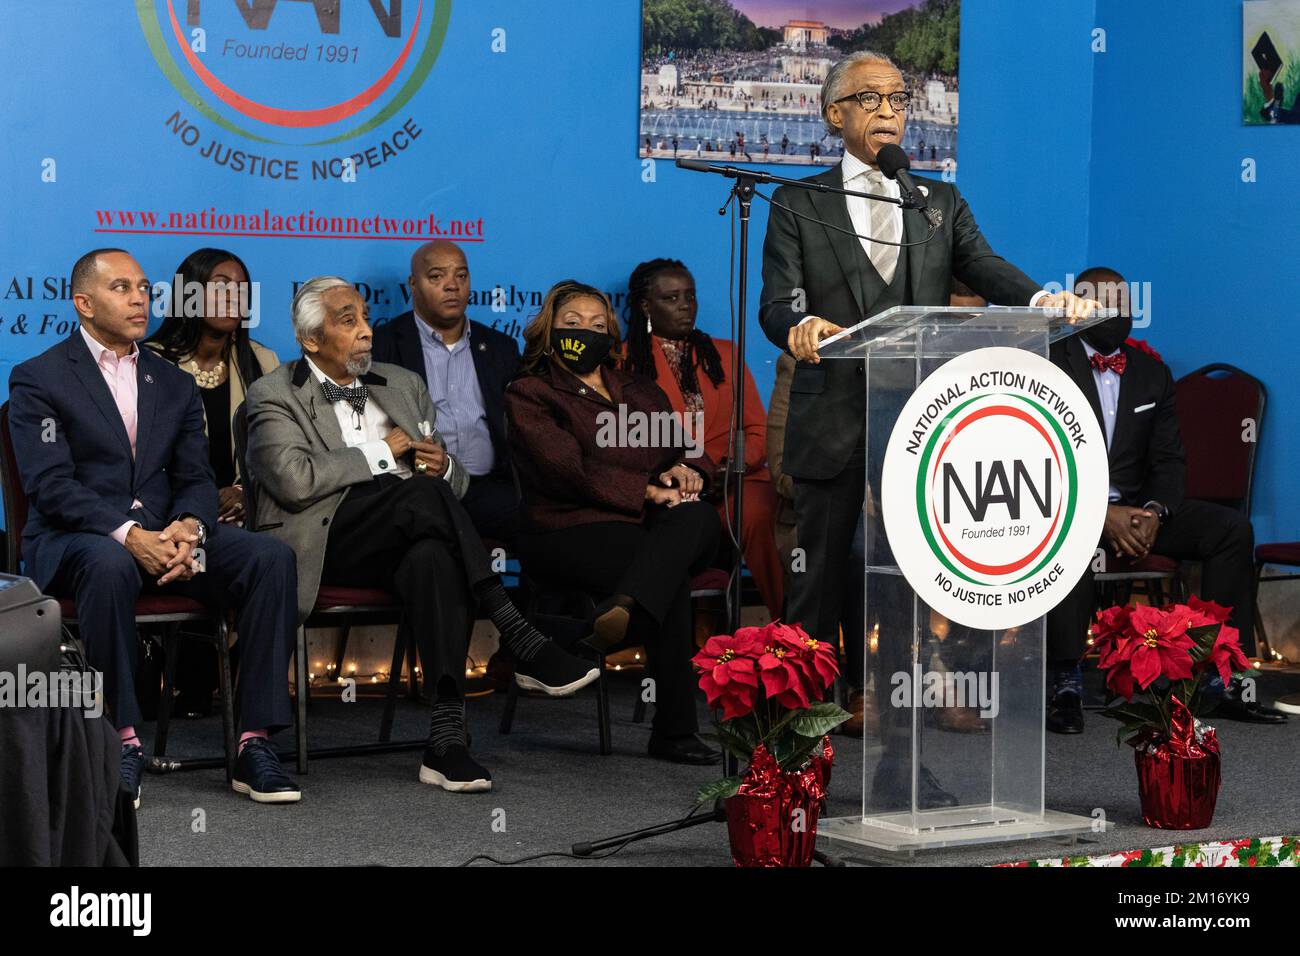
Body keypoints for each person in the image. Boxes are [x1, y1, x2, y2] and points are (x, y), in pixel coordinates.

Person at [758, 52, 1100, 806]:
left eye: (898, 98)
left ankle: (901, 770)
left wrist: (1045, 298)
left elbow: (985, 266)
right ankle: (786, 769)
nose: (888, 110)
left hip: (917, 434)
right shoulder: (796, 204)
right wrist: (801, 325)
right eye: (869, 97)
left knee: (907, 611)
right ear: (833, 113)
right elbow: (775, 305)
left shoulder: (938, 203)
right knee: (810, 608)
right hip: (831, 433)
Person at [245, 277, 599, 793]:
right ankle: (517, 632)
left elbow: (451, 486)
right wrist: (384, 454)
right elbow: (296, 482)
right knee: (421, 501)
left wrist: (444, 466)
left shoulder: (402, 383)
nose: (366, 331)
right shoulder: (274, 392)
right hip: (328, 539)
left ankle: (446, 742)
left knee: (433, 553)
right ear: (311, 340)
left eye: (365, 318)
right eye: (349, 322)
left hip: (409, 533)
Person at [8, 248, 301, 806]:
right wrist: (129, 535)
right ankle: (120, 740)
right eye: (121, 288)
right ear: (84, 302)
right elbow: (50, 485)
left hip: (169, 542)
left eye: (143, 287)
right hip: (79, 543)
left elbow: (196, 475)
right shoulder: (40, 378)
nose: (140, 297)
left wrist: (191, 527)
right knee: (110, 563)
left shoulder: (171, 382)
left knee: (269, 558)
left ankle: (253, 742)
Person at [1046, 267, 1285, 731]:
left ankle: (1222, 679)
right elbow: (1041, 459)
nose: (1117, 314)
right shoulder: (1050, 364)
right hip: (1070, 505)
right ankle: (1065, 682)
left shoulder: (1152, 374)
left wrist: (1154, 512)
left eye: (1124, 305)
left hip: (1138, 510)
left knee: (1231, 530)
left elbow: (1171, 461)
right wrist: (1098, 512)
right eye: (1103, 305)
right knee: (1068, 536)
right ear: (1078, 309)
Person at [505, 281, 721, 764]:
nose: (586, 332)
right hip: (568, 528)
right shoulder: (531, 393)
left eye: (598, 325)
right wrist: (647, 489)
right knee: (668, 580)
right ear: (548, 331)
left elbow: (688, 450)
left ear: (613, 334)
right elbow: (567, 470)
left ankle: (599, 626)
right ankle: (674, 732)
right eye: (573, 324)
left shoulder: (640, 390)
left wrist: (689, 470)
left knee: (698, 516)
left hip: (649, 528)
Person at [144, 247, 280, 717]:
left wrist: (246, 492)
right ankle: (188, 671)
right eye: (219, 285)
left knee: (279, 547)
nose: (233, 296)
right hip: (175, 511)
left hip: (249, 506)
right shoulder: (151, 363)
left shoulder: (262, 362)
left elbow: (280, 452)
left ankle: (243, 680)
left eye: (240, 287)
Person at [623, 258, 783, 620]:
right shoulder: (625, 362)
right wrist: (679, 475)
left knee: (758, 512)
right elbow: (628, 444)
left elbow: (756, 430)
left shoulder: (725, 354)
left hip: (733, 480)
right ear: (645, 306)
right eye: (671, 298)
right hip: (669, 487)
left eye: (690, 296)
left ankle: (790, 630)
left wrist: (729, 467)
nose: (685, 306)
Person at [372, 240, 521, 545]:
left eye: (461, 276)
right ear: (413, 284)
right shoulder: (382, 345)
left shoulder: (501, 348)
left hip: (489, 486)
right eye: (437, 277)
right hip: (417, 487)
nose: (452, 286)